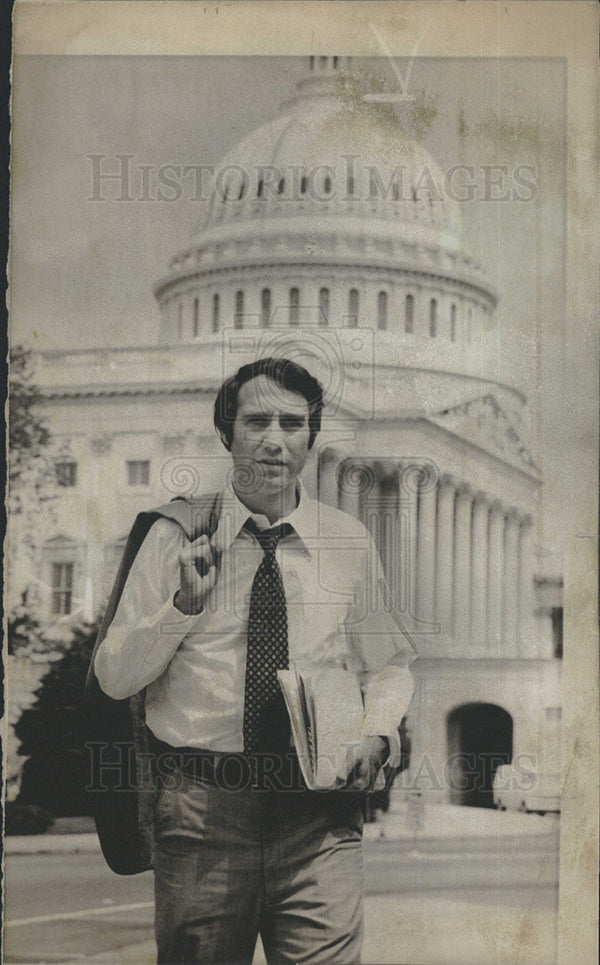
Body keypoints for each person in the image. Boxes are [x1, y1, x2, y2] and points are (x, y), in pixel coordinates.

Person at [94, 356, 414, 965]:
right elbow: (114, 678)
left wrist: (378, 732)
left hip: (319, 815)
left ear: (312, 438)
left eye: (293, 424)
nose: (274, 440)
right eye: (256, 420)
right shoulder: (175, 534)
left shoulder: (345, 541)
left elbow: (390, 664)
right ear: (226, 431)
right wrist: (183, 604)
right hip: (203, 811)